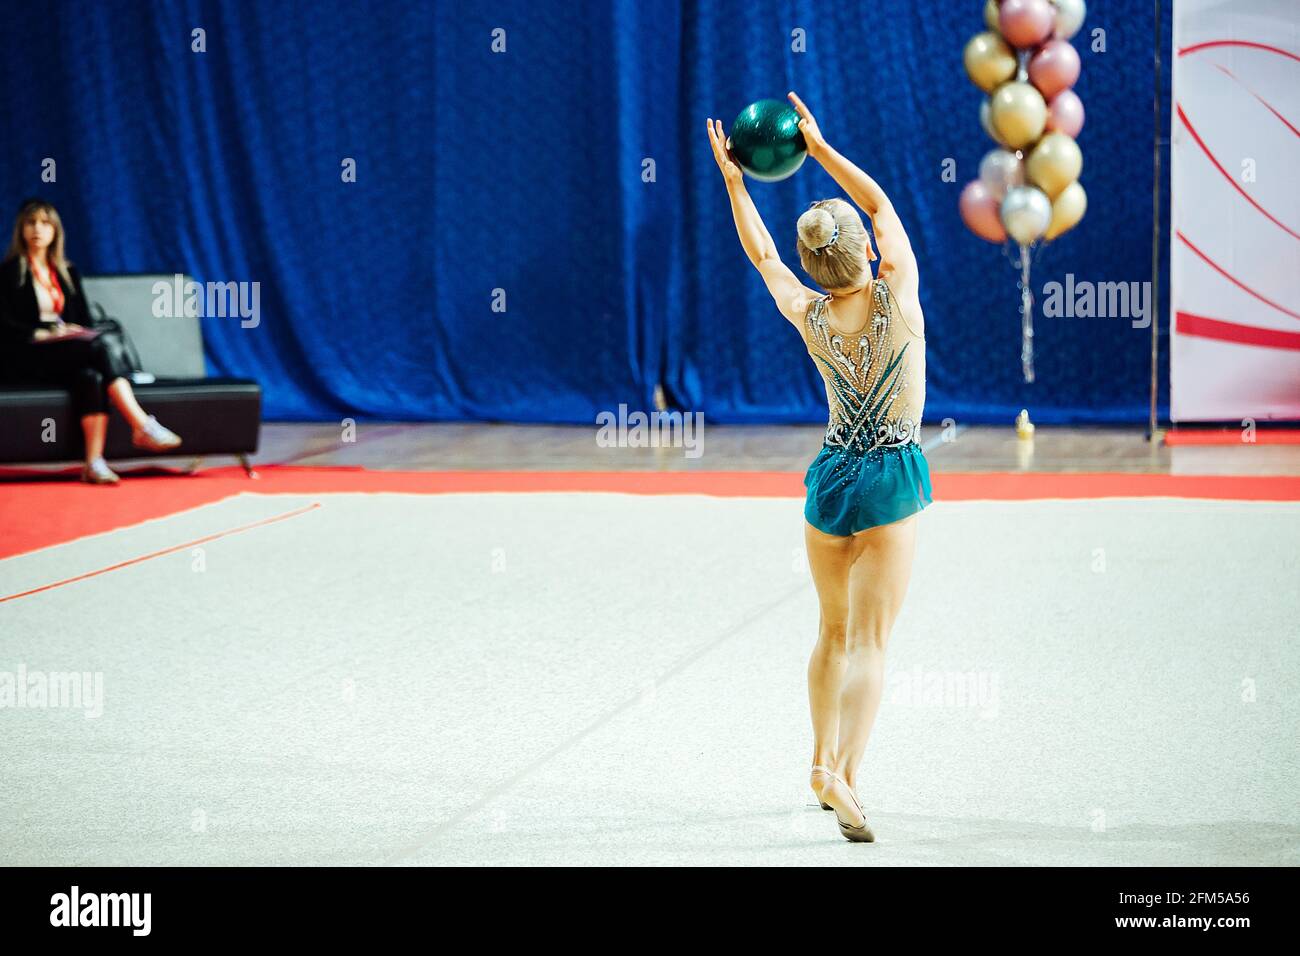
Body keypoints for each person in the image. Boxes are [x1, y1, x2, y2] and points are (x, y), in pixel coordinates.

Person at [707, 92, 933, 842]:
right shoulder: (896, 295)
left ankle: (816, 758)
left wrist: (738, 183)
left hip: (830, 482)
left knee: (832, 633)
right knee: (871, 643)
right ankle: (846, 774)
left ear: (815, 263)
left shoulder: (806, 312)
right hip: (890, 475)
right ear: (865, 251)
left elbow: (764, 255)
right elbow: (880, 202)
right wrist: (821, 145)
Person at [0, 199, 181, 484]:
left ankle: (94, 462)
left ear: (55, 231)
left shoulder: (66, 272)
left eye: (45, 223)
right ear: (21, 229)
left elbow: (84, 319)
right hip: (25, 355)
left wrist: (71, 329)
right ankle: (141, 423)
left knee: (92, 375)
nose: (37, 229)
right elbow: (3, 324)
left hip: (63, 353)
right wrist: (42, 332)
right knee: (98, 348)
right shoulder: (9, 272)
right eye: (31, 223)